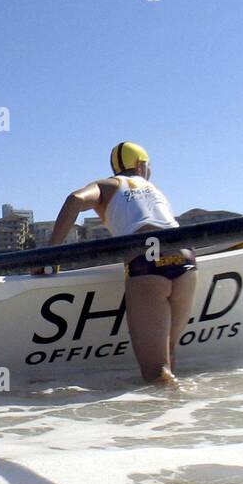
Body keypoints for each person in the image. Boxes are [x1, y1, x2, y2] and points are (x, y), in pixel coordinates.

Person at [46, 142, 196, 385]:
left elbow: (74, 199)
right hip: (185, 257)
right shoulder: (154, 189)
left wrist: (50, 255)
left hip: (148, 262)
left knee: (155, 372)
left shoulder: (108, 186)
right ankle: (185, 414)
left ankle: (165, 413)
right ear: (140, 165)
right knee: (168, 351)